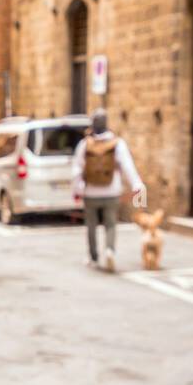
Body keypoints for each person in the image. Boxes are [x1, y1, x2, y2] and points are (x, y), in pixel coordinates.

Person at [72, 108, 144, 272]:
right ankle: (110, 250)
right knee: (110, 224)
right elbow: (128, 166)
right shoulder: (117, 143)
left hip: (90, 192)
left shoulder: (84, 145)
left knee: (91, 225)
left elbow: (76, 170)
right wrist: (137, 185)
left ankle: (93, 257)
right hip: (112, 191)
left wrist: (78, 190)